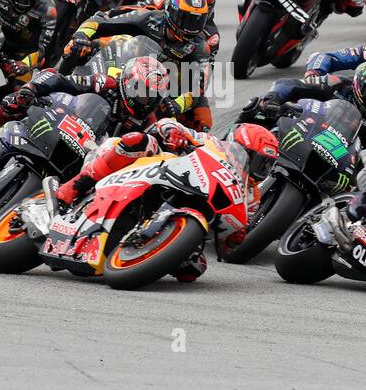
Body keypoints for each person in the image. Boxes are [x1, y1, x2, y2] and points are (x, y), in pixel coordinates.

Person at [53, 119, 281, 280]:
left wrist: (235, 236)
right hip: (154, 170)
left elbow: (230, 240)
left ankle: (143, 248)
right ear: (238, 147)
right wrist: (174, 133)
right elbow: (166, 123)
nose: (260, 169)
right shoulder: (210, 142)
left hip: (191, 210)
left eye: (266, 165)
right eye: (256, 160)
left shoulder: (251, 195)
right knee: (139, 141)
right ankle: (77, 184)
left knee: (192, 271)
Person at [0, 56, 172, 169]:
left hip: (92, 159)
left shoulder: (147, 122)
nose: (146, 101)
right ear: (128, 82)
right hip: (63, 122)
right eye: (142, 92)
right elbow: (60, 79)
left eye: (152, 97)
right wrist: (31, 89)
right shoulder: (105, 84)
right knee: (14, 102)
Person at [62, 0, 216, 130]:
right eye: (186, 19)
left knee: (204, 122)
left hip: (167, 86)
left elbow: (199, 86)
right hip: (127, 62)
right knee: (79, 47)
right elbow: (99, 20)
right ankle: (61, 84)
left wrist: (177, 105)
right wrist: (82, 35)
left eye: (197, 21)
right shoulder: (149, 18)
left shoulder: (200, 46)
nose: (190, 27)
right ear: (172, 10)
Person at [240, 58, 366, 157]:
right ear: (359, 85)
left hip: (333, 157)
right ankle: (232, 148)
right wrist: (273, 98)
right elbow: (291, 84)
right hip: (303, 128)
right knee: (258, 108)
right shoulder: (336, 84)